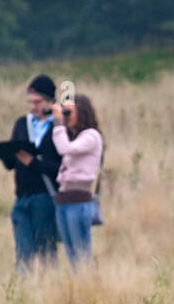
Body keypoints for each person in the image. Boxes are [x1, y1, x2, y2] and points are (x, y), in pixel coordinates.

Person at [8, 74, 62, 272]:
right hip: (21, 196)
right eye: (31, 102)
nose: (34, 107)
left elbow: (62, 168)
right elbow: (11, 162)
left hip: (45, 196)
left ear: (50, 101)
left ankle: (52, 290)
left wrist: (34, 163)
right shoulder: (22, 123)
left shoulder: (59, 126)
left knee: (46, 250)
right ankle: (24, 293)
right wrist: (7, 154)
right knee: (23, 252)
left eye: (38, 102)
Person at [51, 94, 103, 268]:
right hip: (64, 199)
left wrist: (58, 123)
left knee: (81, 256)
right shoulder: (73, 136)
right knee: (71, 255)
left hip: (79, 201)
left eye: (69, 112)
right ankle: (79, 287)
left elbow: (63, 148)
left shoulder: (92, 136)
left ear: (82, 112)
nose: (65, 116)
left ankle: (87, 287)